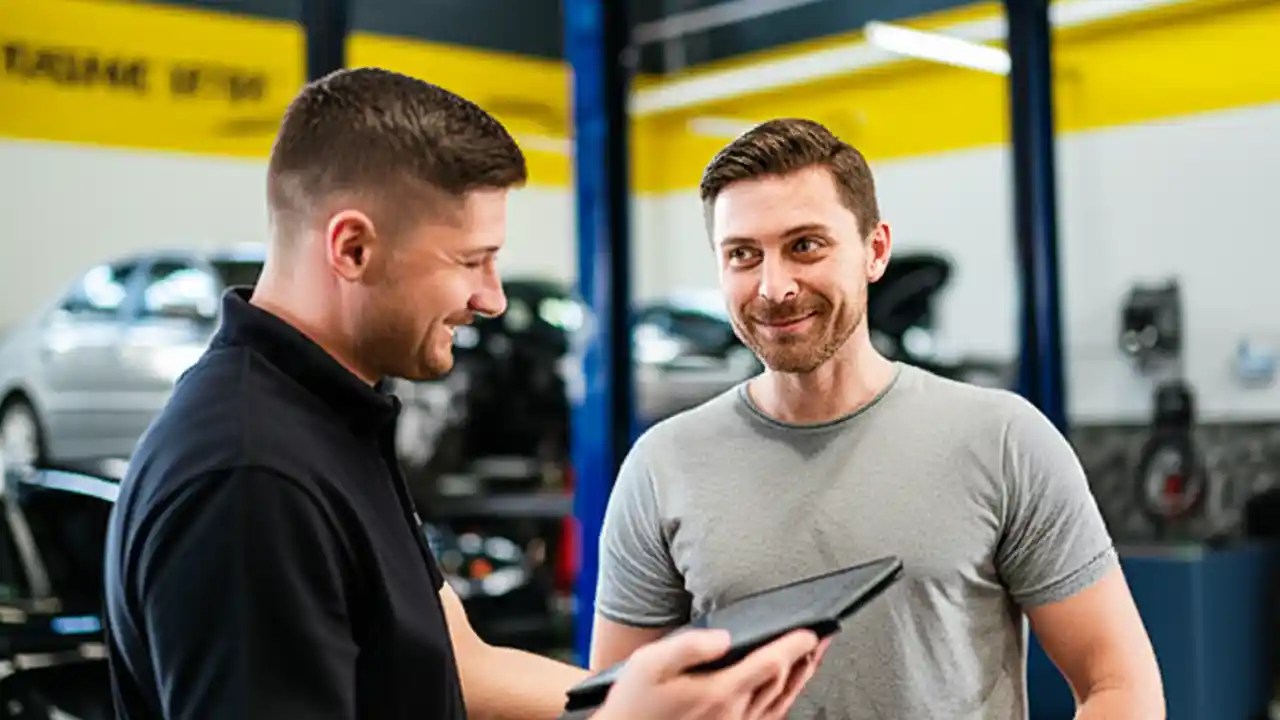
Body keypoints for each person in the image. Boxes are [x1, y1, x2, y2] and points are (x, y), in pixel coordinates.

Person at [101, 68, 829, 720]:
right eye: (471, 261)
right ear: (352, 248)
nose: (491, 299)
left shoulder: (332, 419)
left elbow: (459, 667)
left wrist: (646, 693)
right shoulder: (253, 479)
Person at [589, 118, 1166, 719]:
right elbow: (613, 703)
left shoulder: (1002, 440)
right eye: (742, 255)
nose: (774, 286)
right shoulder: (664, 466)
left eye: (805, 246)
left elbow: (1120, 683)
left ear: (875, 250)